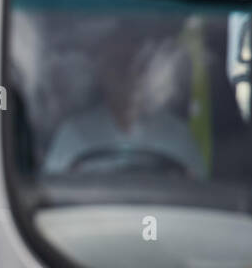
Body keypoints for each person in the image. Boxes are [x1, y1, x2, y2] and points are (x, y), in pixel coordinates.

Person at [43, 19, 206, 178]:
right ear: (103, 73)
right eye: (120, 65)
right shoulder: (73, 135)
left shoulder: (177, 137)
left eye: (139, 66)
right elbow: (53, 193)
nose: (131, 76)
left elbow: (199, 195)